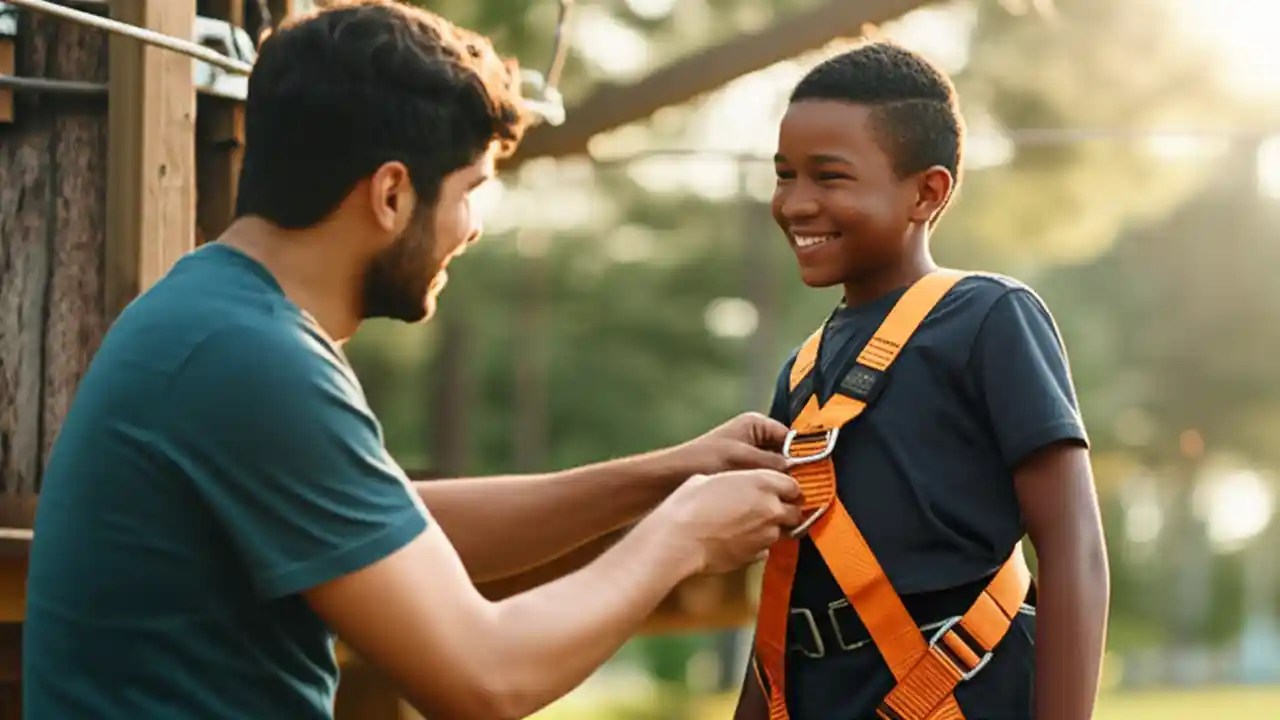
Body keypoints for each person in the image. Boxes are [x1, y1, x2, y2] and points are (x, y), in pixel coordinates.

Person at [22, 3, 803, 719]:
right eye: (472, 189)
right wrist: (679, 538)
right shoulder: (252, 361)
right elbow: (482, 677)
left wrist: (666, 476)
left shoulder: (211, 317)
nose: (473, 227)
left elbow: (398, 532)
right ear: (391, 193)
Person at [732, 42, 1110, 720]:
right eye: (785, 175)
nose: (795, 202)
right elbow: (786, 588)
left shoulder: (989, 318)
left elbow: (1072, 543)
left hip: (963, 695)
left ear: (927, 192)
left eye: (829, 177)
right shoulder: (804, 370)